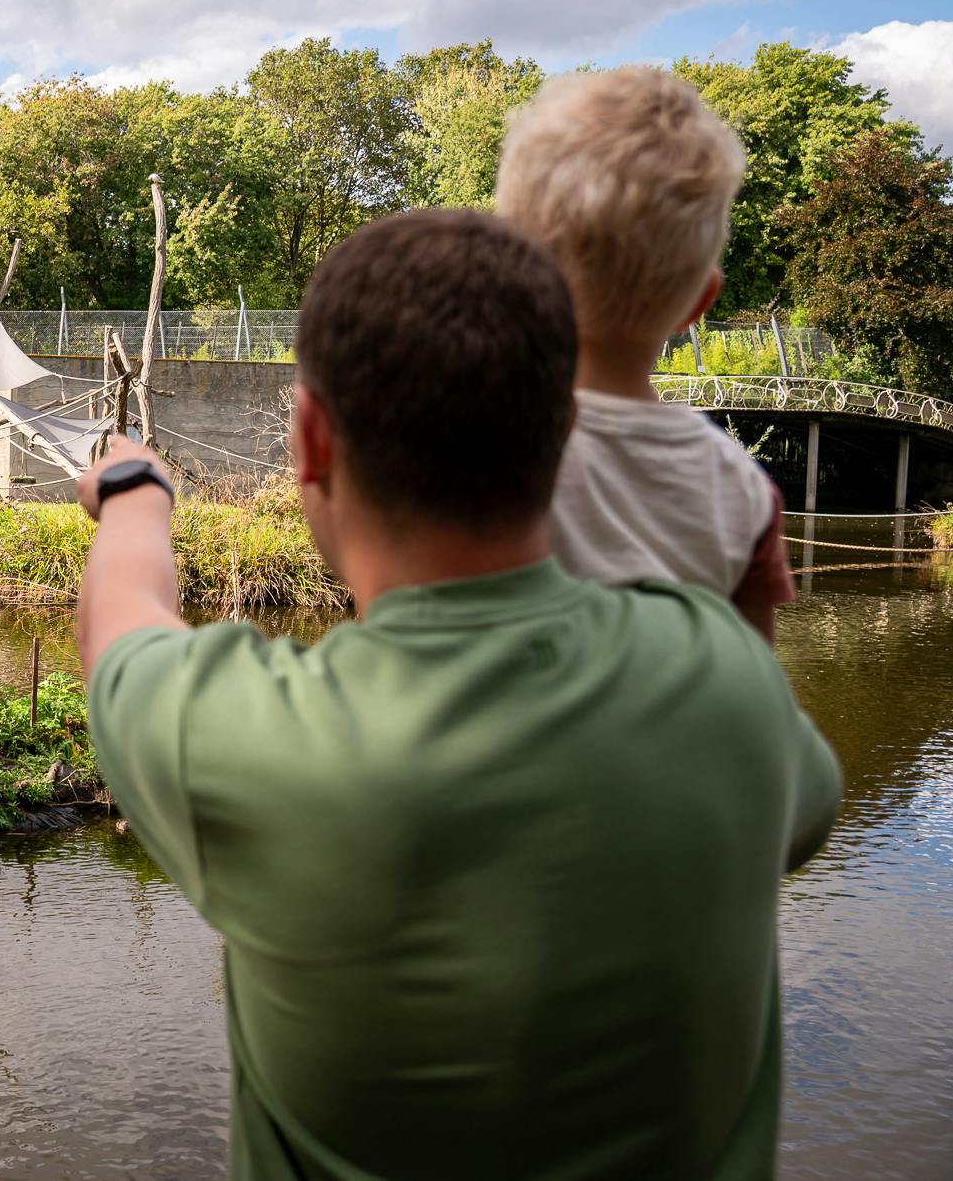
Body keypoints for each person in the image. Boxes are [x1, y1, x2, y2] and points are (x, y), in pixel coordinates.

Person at [78, 209, 840, 1181]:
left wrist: (136, 488)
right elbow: (797, 821)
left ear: (308, 439)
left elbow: (119, 626)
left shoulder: (246, 736)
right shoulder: (723, 675)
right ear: (562, 429)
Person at [495, 66, 792, 641]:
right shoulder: (742, 489)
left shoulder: (471, 449)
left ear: (514, 270)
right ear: (700, 301)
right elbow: (755, 683)